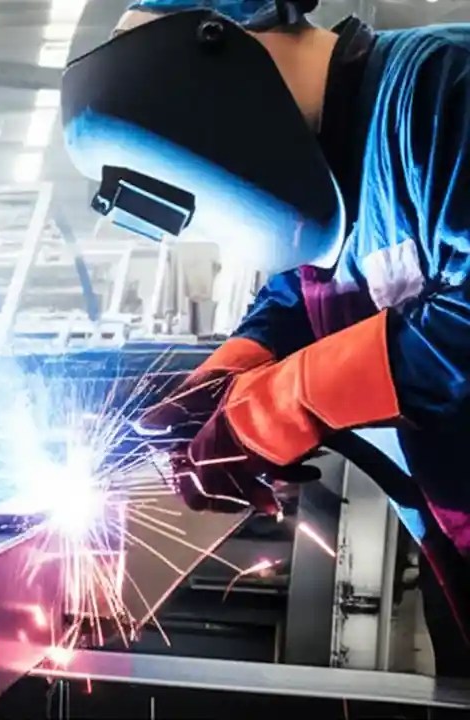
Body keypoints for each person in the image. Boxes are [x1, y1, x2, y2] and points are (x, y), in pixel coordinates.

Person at [59, 0, 470, 672]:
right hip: (448, 536)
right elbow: (301, 294)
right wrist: (235, 369)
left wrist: (297, 396)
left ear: (219, 46)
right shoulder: (321, 181)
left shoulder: (443, 89)